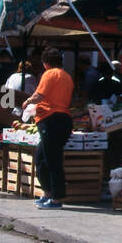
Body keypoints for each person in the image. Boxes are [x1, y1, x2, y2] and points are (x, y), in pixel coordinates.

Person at [24, 47, 74, 209]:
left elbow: (39, 95)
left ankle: (57, 198)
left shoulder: (50, 74)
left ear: (45, 63)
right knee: (42, 158)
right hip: (62, 119)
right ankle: (48, 193)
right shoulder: (67, 76)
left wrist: (27, 102)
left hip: (51, 119)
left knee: (52, 160)